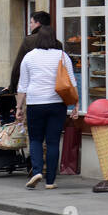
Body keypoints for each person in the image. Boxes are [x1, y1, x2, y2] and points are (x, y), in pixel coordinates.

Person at [15, 26, 80, 189]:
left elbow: (22, 85)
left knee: (36, 139)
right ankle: (50, 181)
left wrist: (19, 107)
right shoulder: (62, 55)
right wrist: (76, 104)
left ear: (38, 40)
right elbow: (72, 82)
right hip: (57, 104)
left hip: (35, 103)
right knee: (52, 142)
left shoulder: (29, 57)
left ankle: (37, 170)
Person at [9, 10, 52, 94]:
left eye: (31, 22)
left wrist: (12, 87)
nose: (30, 25)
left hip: (34, 89)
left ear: (38, 23)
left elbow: (18, 66)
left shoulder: (29, 40)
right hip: (53, 91)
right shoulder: (57, 43)